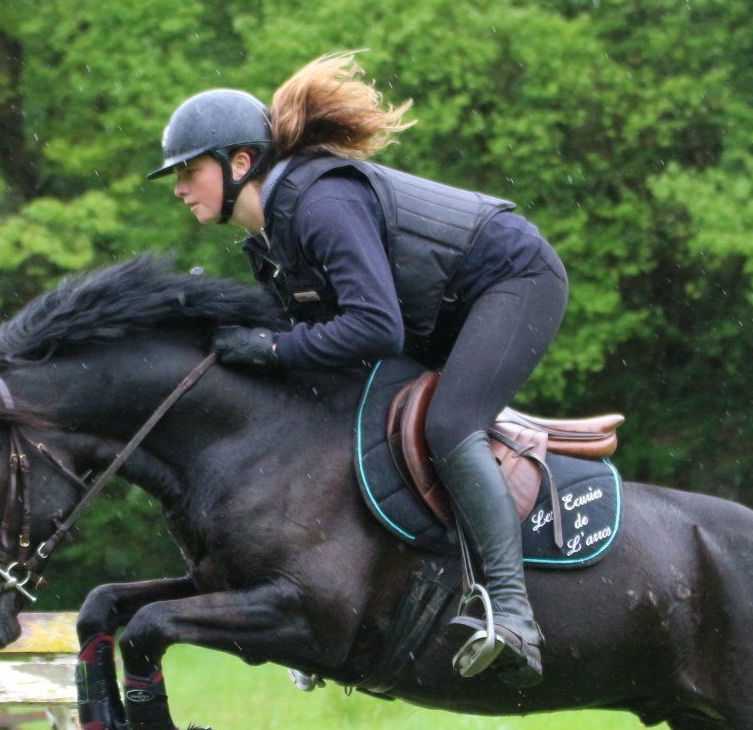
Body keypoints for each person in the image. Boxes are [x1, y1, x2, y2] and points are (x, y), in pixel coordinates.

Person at [148, 52, 569, 688]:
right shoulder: (269, 241)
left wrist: (269, 349)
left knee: (451, 423)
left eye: (189, 170)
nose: (180, 188)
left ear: (239, 163)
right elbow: (322, 344)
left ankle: (512, 613)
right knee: (341, 414)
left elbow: (375, 329)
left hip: (515, 279)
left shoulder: (322, 204)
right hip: (441, 307)